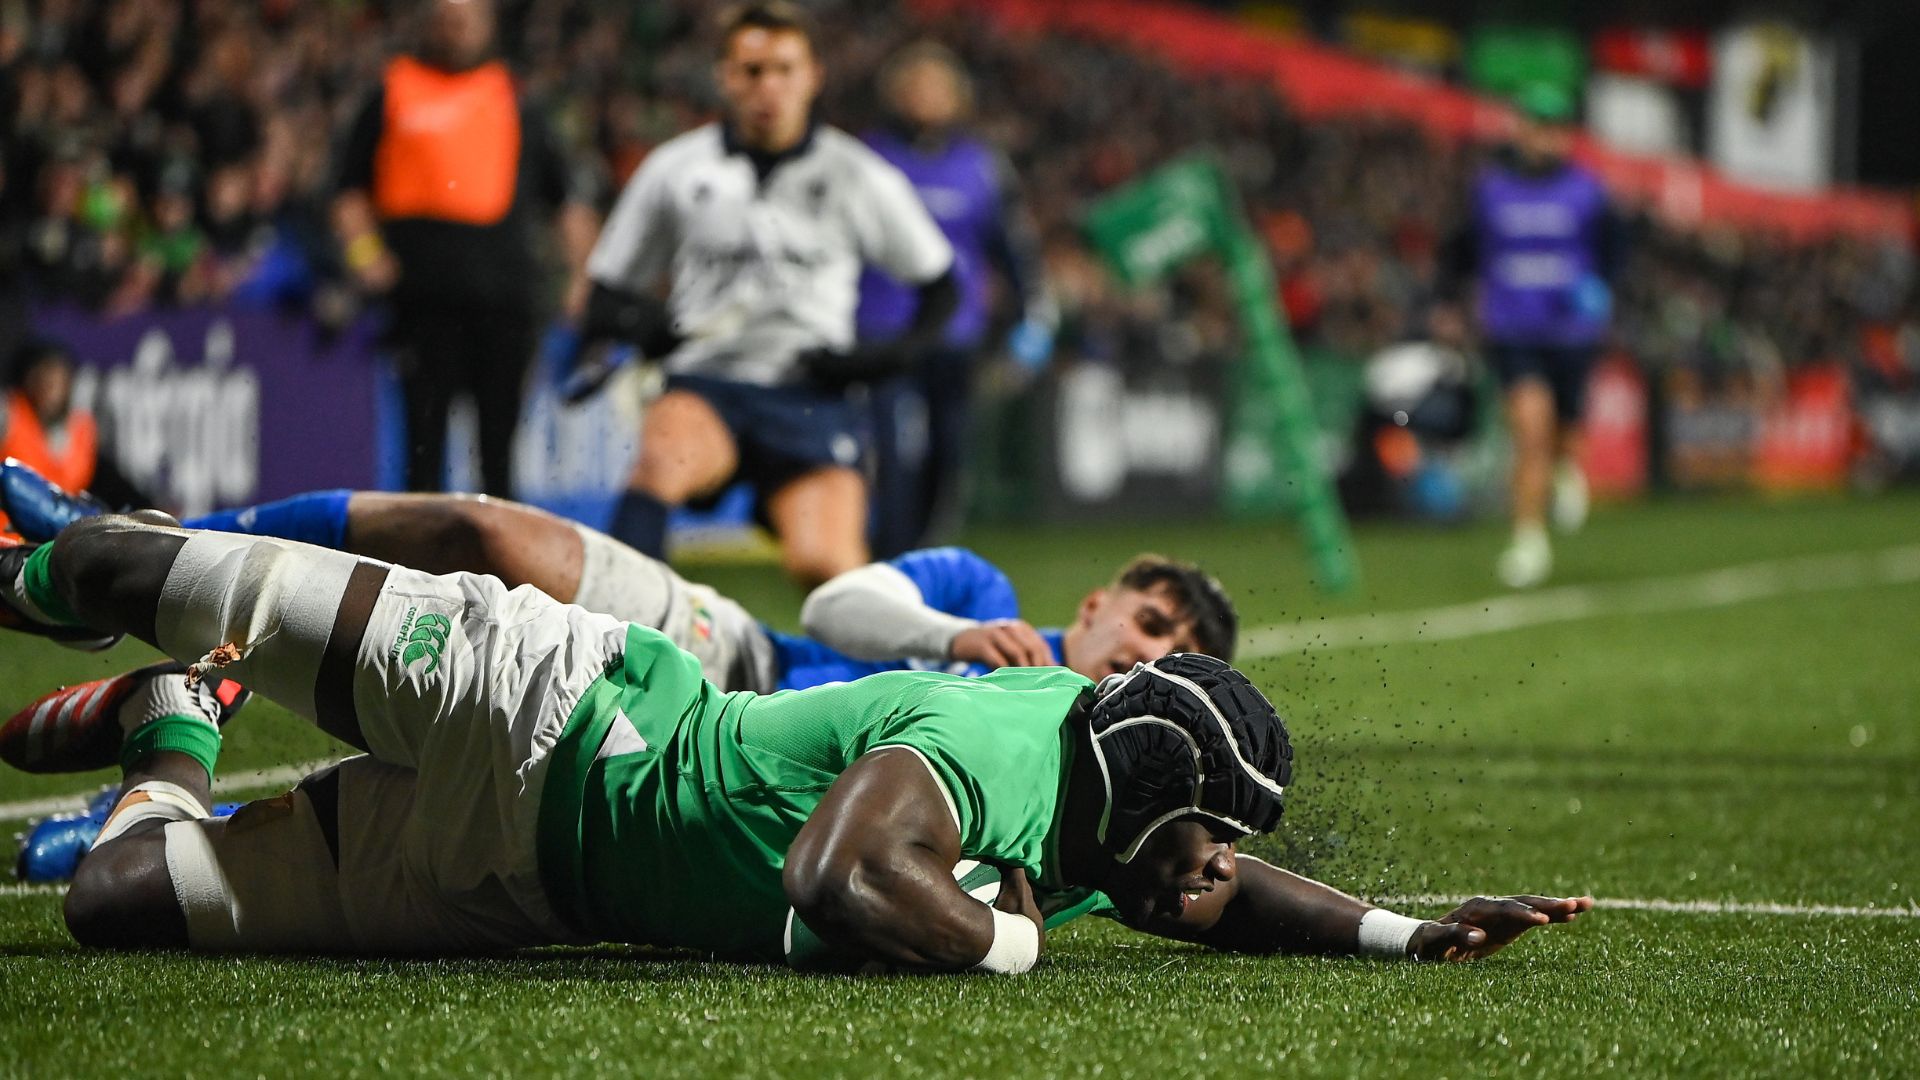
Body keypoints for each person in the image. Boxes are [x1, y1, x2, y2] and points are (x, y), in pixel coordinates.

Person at [0, 515, 1590, 965]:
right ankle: (39, 557)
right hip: (551, 702)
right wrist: (1003, 950)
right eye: (1203, 843)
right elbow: (842, 873)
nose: (1214, 875)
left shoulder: (1105, 825)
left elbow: (1231, 896)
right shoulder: (1009, 743)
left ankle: (166, 726)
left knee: (116, 906)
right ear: (1150, 796)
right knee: (138, 572)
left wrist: (1397, 935)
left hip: (523, 884)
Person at [0, 462, 1235, 694]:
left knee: (423, 694)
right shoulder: (975, 586)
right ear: (1100, 600)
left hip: (709, 763)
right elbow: (826, 608)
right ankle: (140, 541)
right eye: (1154, 615)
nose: (1152, 643)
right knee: (487, 535)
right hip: (727, 656)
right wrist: (960, 643)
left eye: (1177, 648)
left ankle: (175, 810)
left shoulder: (1084, 749)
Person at [575, 2, 958, 589]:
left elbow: (941, 287)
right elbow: (604, 294)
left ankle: (882, 675)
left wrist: (888, 357)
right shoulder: (675, 169)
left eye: (783, 69)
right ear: (726, 77)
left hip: (810, 396)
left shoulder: (858, 174)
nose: (768, 87)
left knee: (830, 568)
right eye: (752, 71)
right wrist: (643, 323)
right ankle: (625, 648)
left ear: (813, 77)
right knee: (658, 464)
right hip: (709, 388)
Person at [332, 0, 593, 496]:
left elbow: (566, 201)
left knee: (499, 452)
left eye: (466, 19)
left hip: (506, 304)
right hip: (421, 306)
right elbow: (348, 192)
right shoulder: (392, 94)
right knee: (422, 451)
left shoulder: (517, 102)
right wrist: (366, 257)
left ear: (487, 26)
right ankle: (418, 571)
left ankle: (499, 569)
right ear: (428, 24)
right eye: (447, 19)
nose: (456, 29)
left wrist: (580, 276)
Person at [858, 42, 1057, 556]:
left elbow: (1015, 251)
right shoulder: (867, 160)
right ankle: (888, 560)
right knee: (893, 454)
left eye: (938, 87)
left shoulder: (982, 167)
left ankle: (922, 553)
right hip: (883, 335)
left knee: (948, 455)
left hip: (955, 338)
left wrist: (1032, 319)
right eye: (917, 85)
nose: (927, 97)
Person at [1440, 84, 1623, 589]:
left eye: (1557, 126)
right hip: (1512, 328)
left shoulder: (1588, 191)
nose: (1548, 136)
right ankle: (1527, 539)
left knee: (1565, 429)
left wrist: (1601, 288)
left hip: (1572, 331)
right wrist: (1451, 300)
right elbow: (1461, 250)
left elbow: (1615, 249)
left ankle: (1570, 469)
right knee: (1529, 430)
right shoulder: (1491, 190)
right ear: (1521, 129)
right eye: (1539, 125)